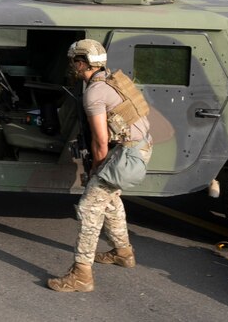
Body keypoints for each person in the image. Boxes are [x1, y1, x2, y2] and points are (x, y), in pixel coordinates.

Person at [48, 39, 152, 293]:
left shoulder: (94, 92)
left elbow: (100, 141)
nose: (71, 66)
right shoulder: (111, 79)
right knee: (110, 199)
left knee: (89, 208)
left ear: (82, 63)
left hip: (127, 154)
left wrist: (96, 168)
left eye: (74, 61)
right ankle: (123, 252)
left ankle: (81, 275)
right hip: (140, 147)